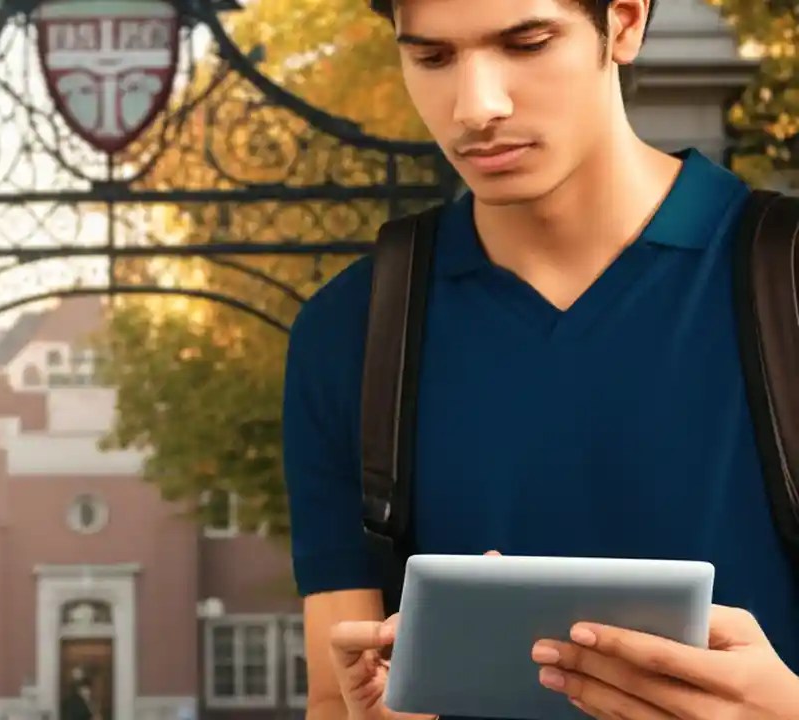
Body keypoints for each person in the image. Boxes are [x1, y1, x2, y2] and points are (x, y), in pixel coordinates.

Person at [280, 0, 799, 719]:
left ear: (623, 23)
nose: (475, 107)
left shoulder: (786, 283)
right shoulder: (350, 330)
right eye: (432, 57)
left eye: (526, 43)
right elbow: (333, 700)